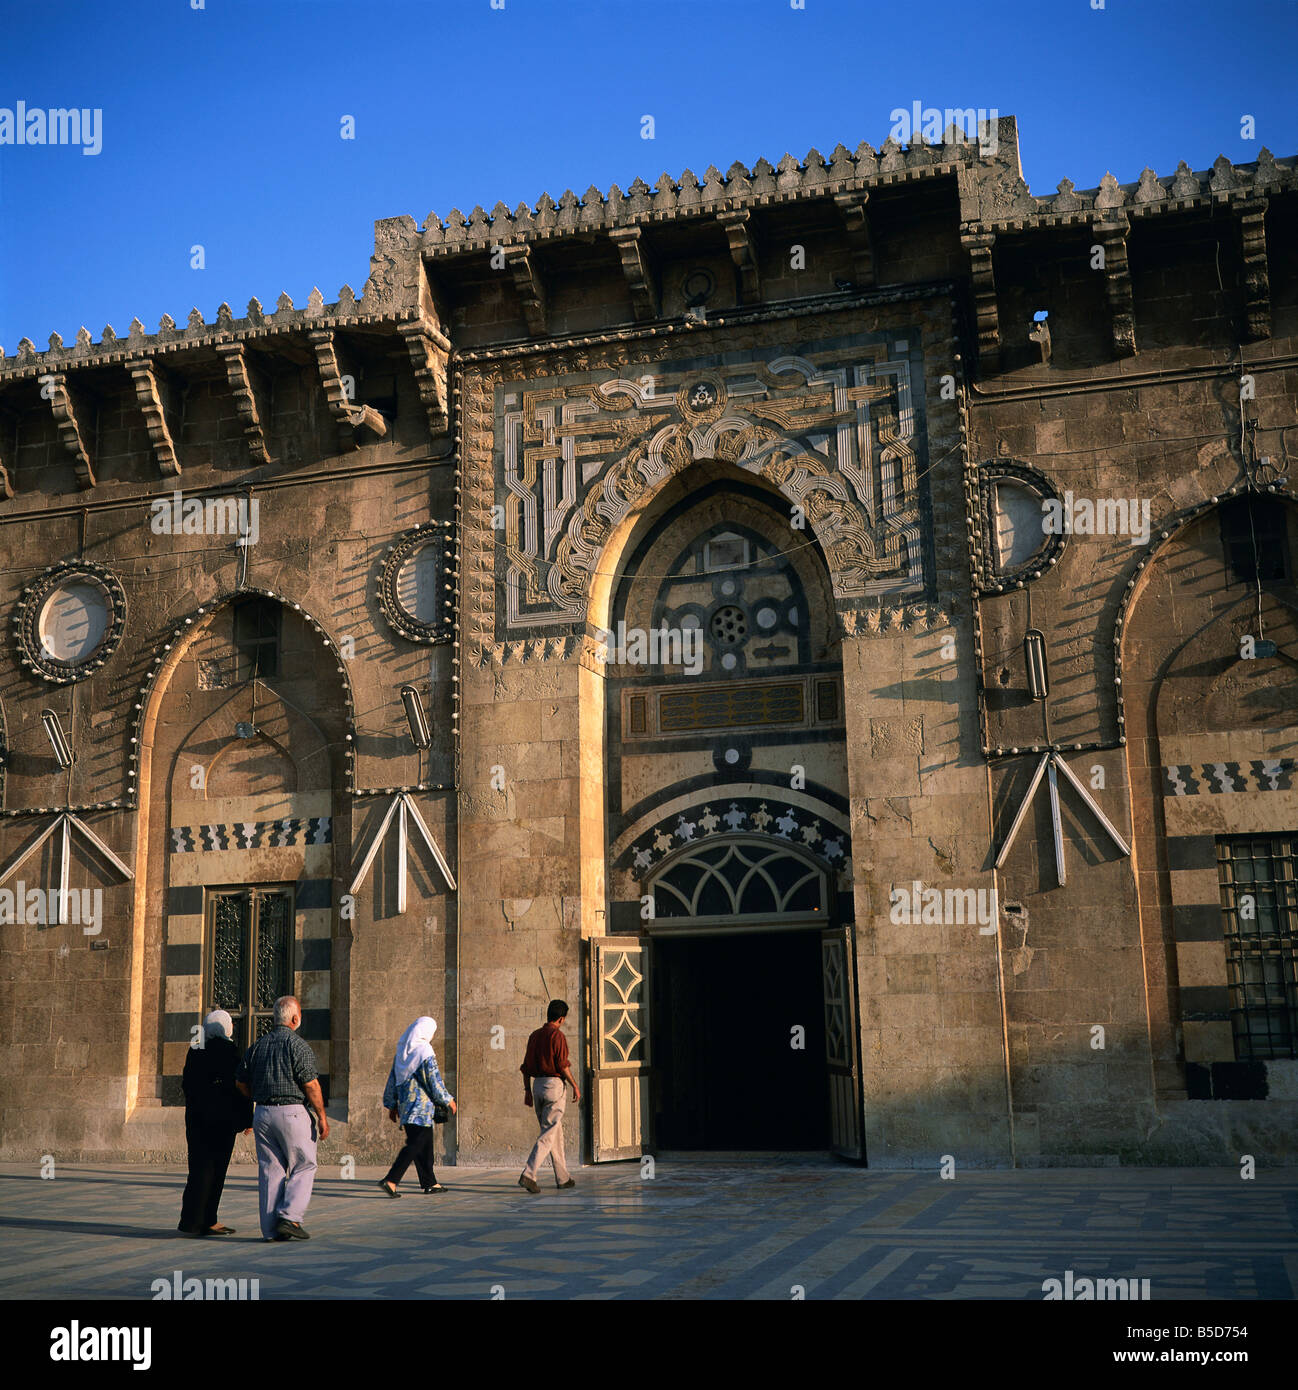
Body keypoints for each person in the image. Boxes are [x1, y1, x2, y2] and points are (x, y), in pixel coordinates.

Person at [235, 995, 327, 1241]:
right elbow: (311, 1085)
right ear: (295, 1018)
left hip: (263, 1113)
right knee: (304, 1165)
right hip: (292, 1111)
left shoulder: (257, 1046)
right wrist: (322, 1117)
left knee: (270, 1171)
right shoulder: (297, 1045)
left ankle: (270, 1230)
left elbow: (240, 1081)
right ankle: (290, 1218)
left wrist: (257, 1096)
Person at [177, 1008, 253, 1237]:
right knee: (215, 1171)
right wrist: (247, 1120)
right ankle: (208, 1220)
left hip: (197, 1120)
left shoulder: (195, 1051)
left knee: (198, 1169)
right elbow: (240, 1087)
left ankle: (191, 1220)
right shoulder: (229, 1051)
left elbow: (186, 1087)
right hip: (222, 1122)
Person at [378, 1015, 457, 1197]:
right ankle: (391, 1180)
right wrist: (448, 1099)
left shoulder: (402, 1053)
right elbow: (433, 1079)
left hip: (407, 1109)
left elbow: (392, 1081)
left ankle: (430, 1183)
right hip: (421, 1109)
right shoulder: (424, 1050)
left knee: (425, 1145)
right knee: (414, 1145)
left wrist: (392, 1105)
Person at [518, 999, 580, 1194]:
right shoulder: (557, 1036)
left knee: (555, 1132)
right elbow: (562, 1065)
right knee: (548, 1133)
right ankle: (529, 1174)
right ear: (561, 1018)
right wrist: (575, 1086)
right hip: (554, 1086)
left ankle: (563, 1178)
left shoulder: (534, 1035)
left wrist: (527, 1090)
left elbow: (525, 1067)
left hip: (537, 1086)